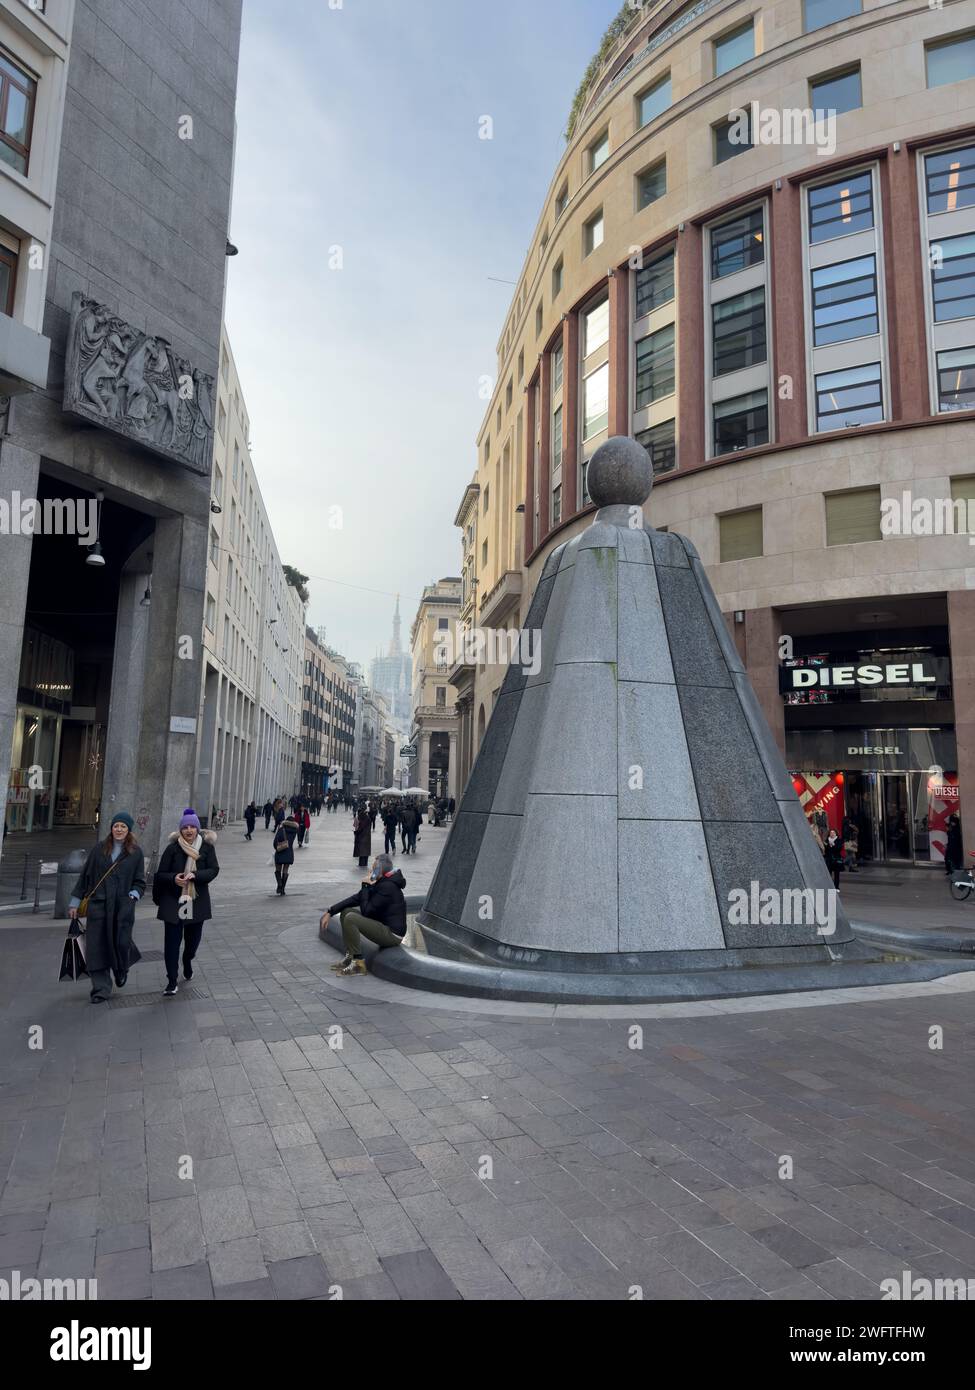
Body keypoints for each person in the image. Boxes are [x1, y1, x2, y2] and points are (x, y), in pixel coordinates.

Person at [68, 812, 146, 1004]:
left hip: (122, 907)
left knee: (121, 943)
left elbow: (140, 881)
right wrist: (75, 902)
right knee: (96, 947)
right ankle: (100, 989)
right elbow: (85, 877)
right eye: (116, 826)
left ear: (129, 830)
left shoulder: (135, 853)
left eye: (123, 826)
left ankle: (121, 968)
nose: (119, 829)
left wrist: (133, 894)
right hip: (99, 906)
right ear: (111, 828)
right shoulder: (99, 850)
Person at [153, 809, 220, 997]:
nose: (189, 830)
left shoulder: (206, 848)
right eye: (185, 827)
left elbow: (214, 870)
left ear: (197, 829)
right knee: (172, 942)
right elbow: (160, 875)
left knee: (192, 941)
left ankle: (187, 959)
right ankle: (172, 980)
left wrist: (196, 875)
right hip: (174, 900)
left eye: (192, 827)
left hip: (195, 900)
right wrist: (174, 878)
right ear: (180, 830)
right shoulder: (172, 849)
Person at [320, 854, 407, 977]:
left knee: (351, 918)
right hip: (383, 925)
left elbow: (367, 911)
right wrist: (330, 911)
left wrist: (366, 886)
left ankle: (358, 964)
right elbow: (356, 898)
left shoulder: (387, 886)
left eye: (374, 868)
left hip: (392, 935)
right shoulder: (381, 882)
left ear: (380, 870)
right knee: (346, 912)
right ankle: (351, 957)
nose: (371, 870)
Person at [273, 809, 298, 894]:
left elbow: (275, 842)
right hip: (289, 852)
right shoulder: (294, 831)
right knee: (285, 869)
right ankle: (283, 889)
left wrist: (276, 847)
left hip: (280, 851)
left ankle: (279, 884)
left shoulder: (281, 829)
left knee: (278, 869)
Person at [353, 802, 371, 868]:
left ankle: (361, 863)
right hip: (367, 836)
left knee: (362, 850)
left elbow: (361, 827)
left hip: (362, 836)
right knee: (365, 851)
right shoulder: (367, 818)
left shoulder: (362, 818)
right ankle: (364, 863)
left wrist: (356, 832)